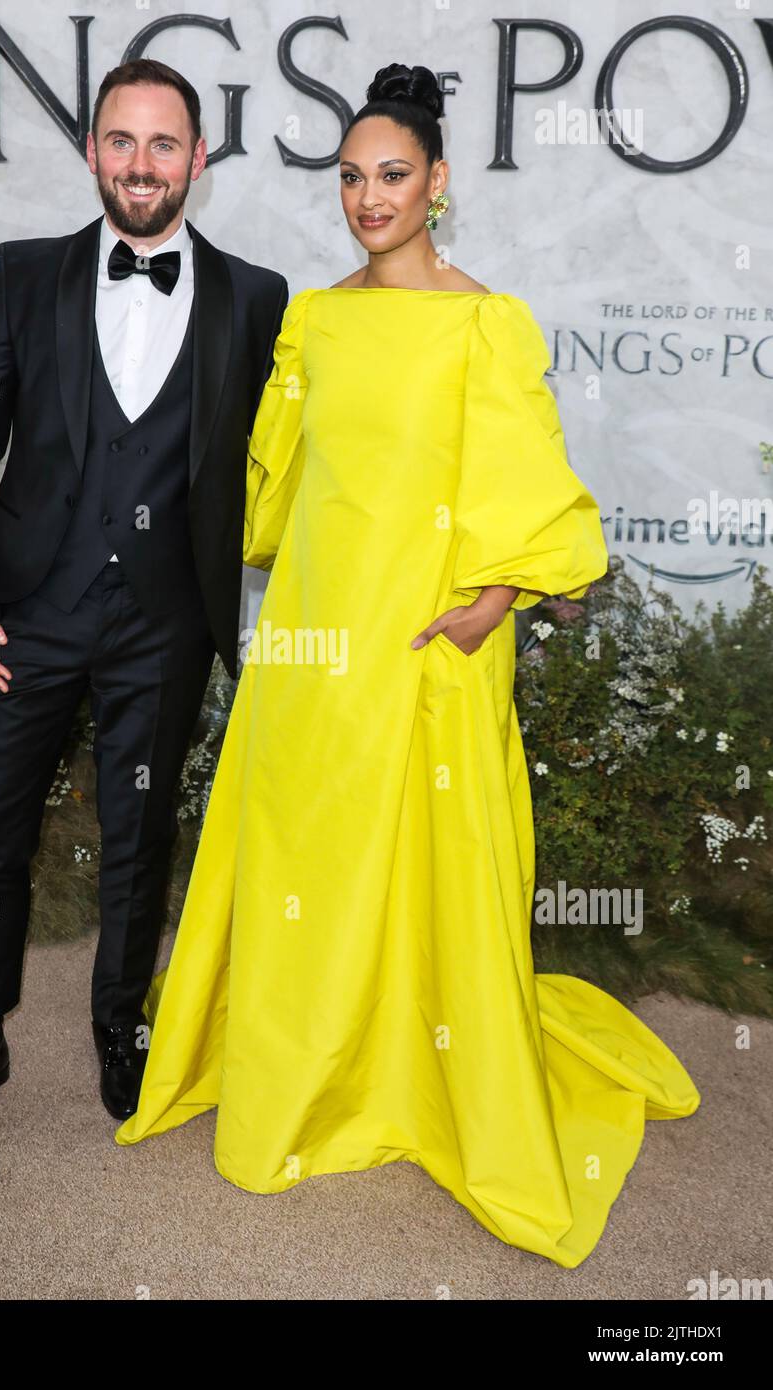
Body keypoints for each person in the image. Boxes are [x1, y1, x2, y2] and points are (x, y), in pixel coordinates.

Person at [113, 63, 701, 1268]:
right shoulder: (315, 321)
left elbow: (526, 486)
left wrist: (494, 602)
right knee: (304, 845)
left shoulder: (487, 321)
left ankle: (422, 1080)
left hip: (437, 640)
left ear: (438, 183)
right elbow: (277, 490)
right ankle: (303, 1076)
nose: (367, 198)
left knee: (431, 856)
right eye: (348, 178)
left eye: (391, 176)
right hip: (319, 637)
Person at [0, 59, 287, 1152]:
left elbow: (290, 462)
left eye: (165, 145)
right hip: (26, 615)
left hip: (166, 628)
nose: (142, 164)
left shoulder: (257, 297)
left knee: (138, 837)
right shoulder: (26, 274)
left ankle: (121, 1023)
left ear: (198, 160)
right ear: (92, 151)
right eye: (123, 141)